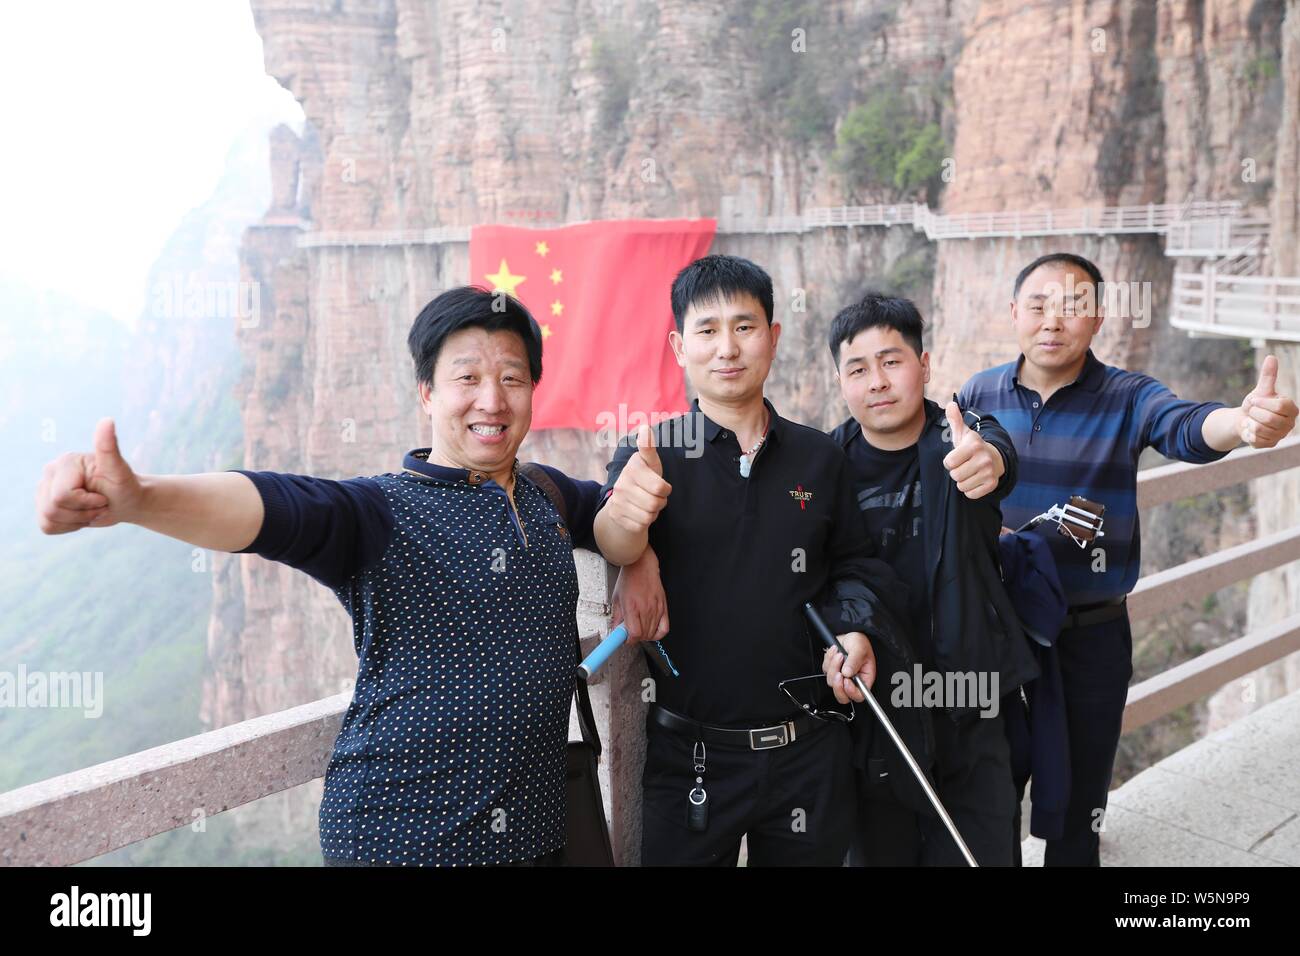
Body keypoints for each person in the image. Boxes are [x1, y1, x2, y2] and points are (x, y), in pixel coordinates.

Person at [35, 285, 665, 867]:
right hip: (405, 835)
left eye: (512, 378)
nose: (491, 401)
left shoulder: (545, 495)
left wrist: (639, 557)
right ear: (427, 392)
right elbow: (275, 508)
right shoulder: (380, 511)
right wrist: (141, 498)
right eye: (466, 378)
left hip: (533, 829)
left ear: (534, 388)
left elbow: (615, 510)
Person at [958, 252, 1299, 866]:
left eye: (1072, 307)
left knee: (1082, 794)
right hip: (998, 630)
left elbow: (1188, 427)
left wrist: (1241, 423)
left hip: (1090, 634)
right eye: (1037, 306)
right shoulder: (978, 394)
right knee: (990, 787)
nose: (1052, 321)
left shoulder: (1128, 395)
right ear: (1013, 314)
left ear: (1099, 320)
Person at [594, 254, 907, 867]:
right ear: (679, 347)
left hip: (809, 753)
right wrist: (632, 539)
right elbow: (613, 532)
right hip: (690, 757)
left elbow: (857, 565)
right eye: (706, 331)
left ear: (774, 336)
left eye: (745, 326)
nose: (727, 348)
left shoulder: (819, 458)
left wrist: (856, 630)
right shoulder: (653, 451)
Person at [821, 292, 1037, 866]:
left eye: (892, 361)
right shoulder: (823, 469)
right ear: (839, 381)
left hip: (970, 699)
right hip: (876, 709)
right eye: (858, 368)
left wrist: (989, 460)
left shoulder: (962, 438)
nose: (878, 382)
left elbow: (994, 454)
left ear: (925, 364)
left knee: (981, 851)